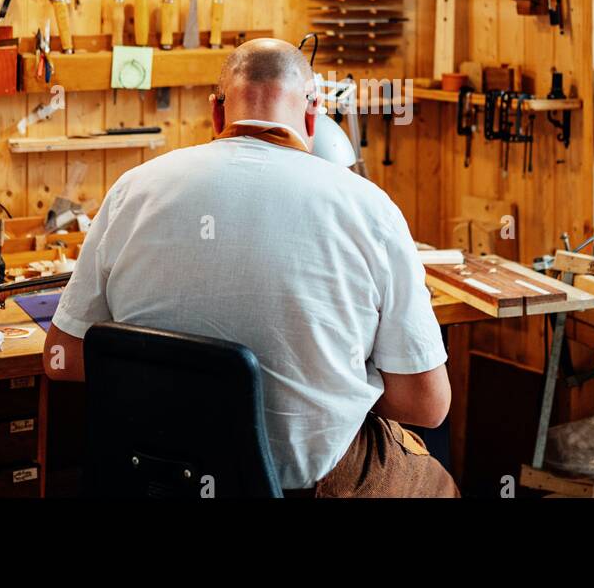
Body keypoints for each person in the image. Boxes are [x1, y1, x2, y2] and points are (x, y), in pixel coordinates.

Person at [43, 38, 456, 497]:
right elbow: (427, 403)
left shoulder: (133, 190)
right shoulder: (369, 207)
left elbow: (62, 360)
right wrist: (329, 379)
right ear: (312, 118)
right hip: (300, 485)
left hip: (157, 477)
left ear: (216, 113)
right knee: (436, 481)